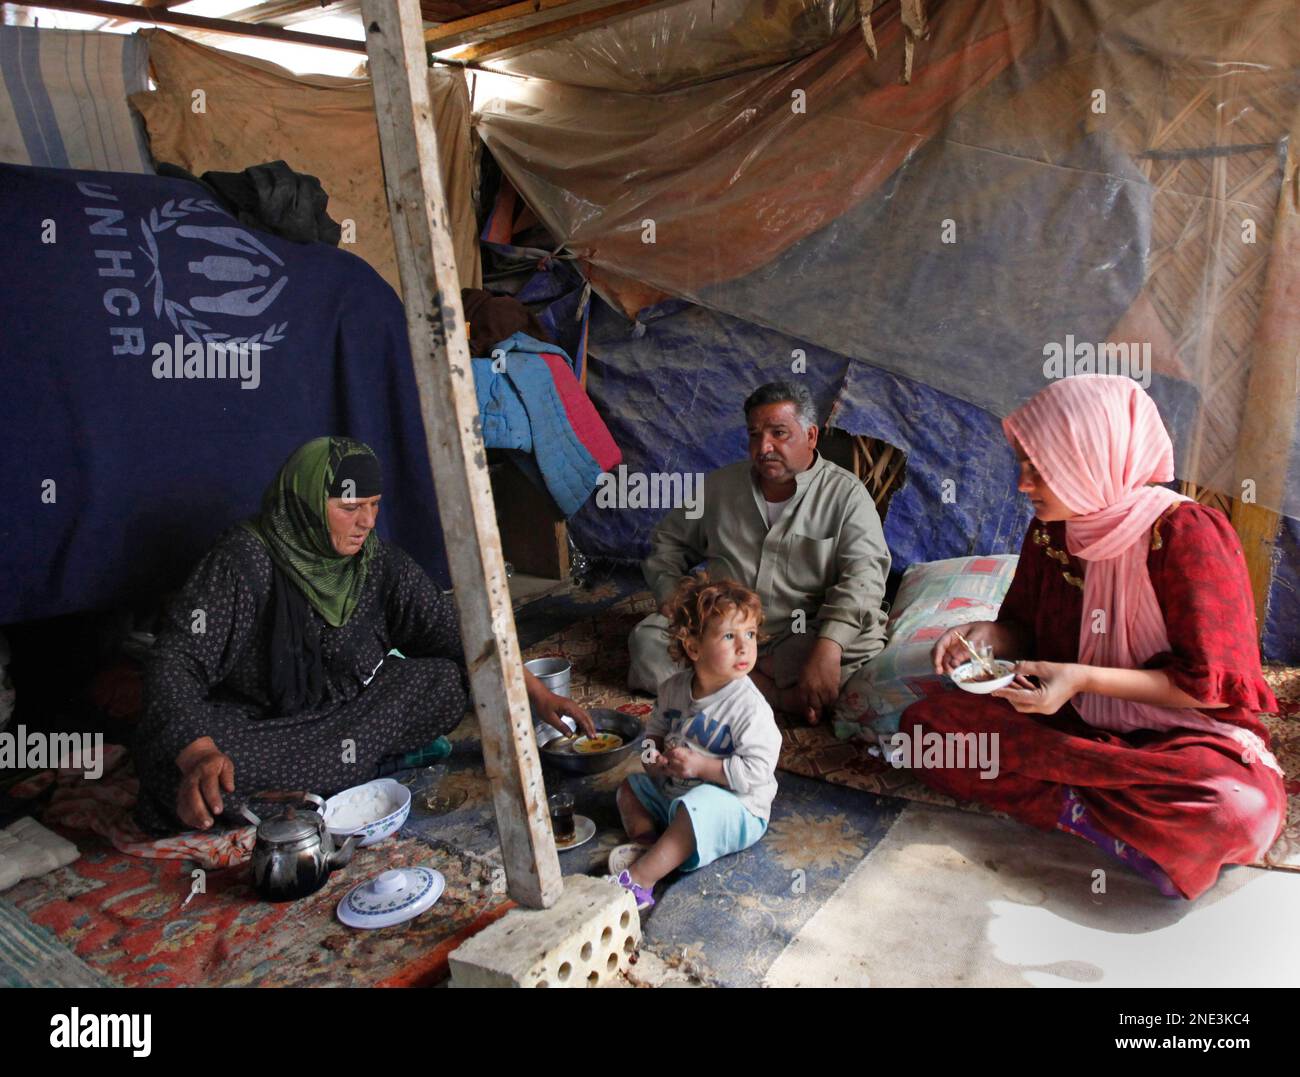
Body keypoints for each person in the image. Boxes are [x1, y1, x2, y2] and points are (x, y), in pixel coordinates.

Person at [903, 375, 1285, 900]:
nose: (1022, 484)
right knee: (927, 734)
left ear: (1090, 460)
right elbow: (1023, 629)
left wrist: (1081, 678)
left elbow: (1207, 688)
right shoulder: (1051, 528)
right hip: (1068, 722)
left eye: (1040, 468)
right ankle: (1102, 818)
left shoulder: (1187, 536)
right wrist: (985, 635)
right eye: (1024, 464)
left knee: (1237, 811)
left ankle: (1087, 804)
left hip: (1181, 736)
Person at [134, 436, 594, 834]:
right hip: (260, 725)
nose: (367, 522)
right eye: (350, 507)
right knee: (181, 765)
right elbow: (176, 661)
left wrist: (535, 692)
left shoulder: (375, 564)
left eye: (374, 506)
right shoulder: (245, 561)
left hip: (348, 714)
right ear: (308, 500)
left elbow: (456, 634)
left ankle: (314, 780)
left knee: (445, 683)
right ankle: (347, 769)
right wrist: (198, 752)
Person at [630, 380, 891, 724]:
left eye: (779, 433)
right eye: (755, 435)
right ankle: (774, 695)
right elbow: (667, 542)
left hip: (798, 634)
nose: (764, 446)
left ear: (811, 436)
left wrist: (828, 647)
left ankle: (724, 680)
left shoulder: (847, 497)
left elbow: (865, 578)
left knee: (857, 646)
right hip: (723, 628)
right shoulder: (719, 488)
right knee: (648, 643)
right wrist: (673, 595)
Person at [610, 576, 781, 910]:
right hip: (678, 790)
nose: (744, 646)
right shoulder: (672, 688)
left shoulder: (750, 707)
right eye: (729, 636)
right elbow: (654, 733)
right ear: (693, 647)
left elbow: (758, 772)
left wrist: (701, 767)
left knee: (698, 805)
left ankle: (641, 880)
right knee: (629, 789)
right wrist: (652, 757)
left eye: (750, 634)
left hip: (737, 806)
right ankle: (648, 844)